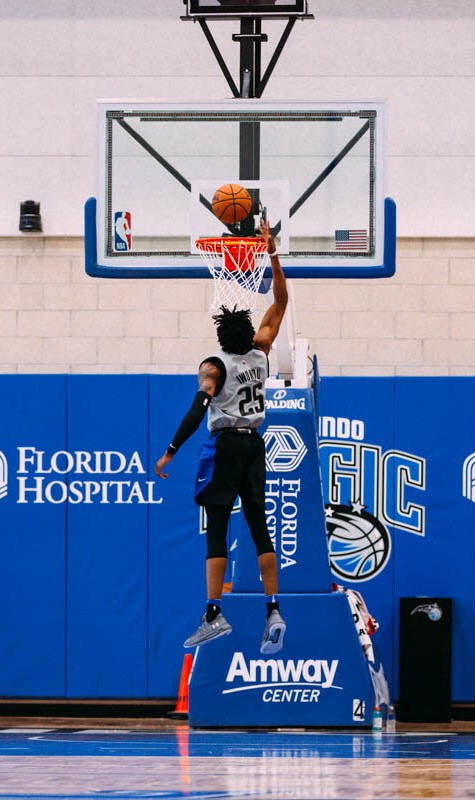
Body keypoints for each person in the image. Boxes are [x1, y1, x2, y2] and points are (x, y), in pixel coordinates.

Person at [156, 219, 288, 655]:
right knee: (259, 528)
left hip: (226, 445)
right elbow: (281, 300)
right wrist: (270, 252)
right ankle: (273, 609)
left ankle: (213, 615)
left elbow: (198, 410)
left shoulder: (213, 366)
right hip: (255, 444)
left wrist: (171, 451)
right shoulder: (262, 350)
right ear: (247, 332)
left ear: (219, 335)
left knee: (217, 529)